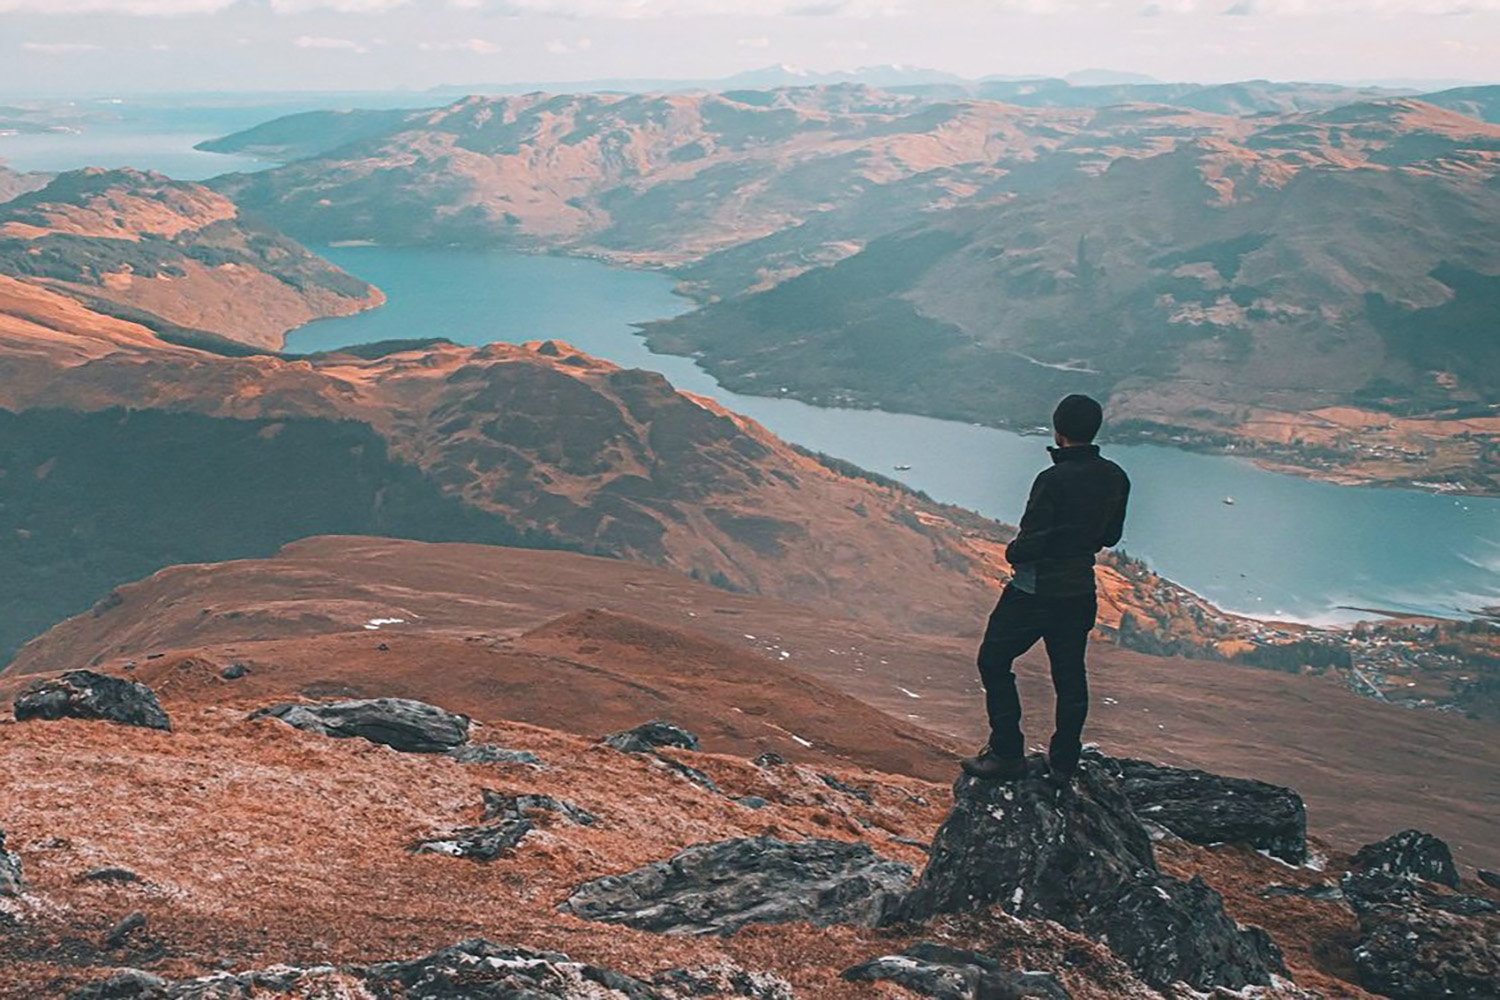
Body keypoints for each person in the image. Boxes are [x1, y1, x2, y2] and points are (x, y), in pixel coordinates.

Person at [960, 393, 1130, 782]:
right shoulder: (1116, 476)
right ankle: (1064, 761)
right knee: (1069, 675)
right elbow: (1110, 536)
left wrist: (1012, 552)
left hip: (1033, 592)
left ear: (1058, 431)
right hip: (1079, 591)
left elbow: (1031, 542)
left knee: (994, 660)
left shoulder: (1052, 480)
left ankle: (1006, 753)